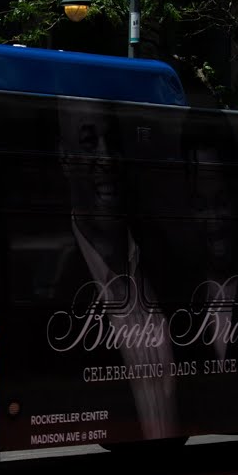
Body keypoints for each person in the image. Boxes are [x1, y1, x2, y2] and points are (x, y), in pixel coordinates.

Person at [54, 98, 181, 440]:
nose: (106, 157)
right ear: (65, 157)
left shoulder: (168, 264)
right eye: (88, 142)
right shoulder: (53, 285)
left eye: (112, 141)